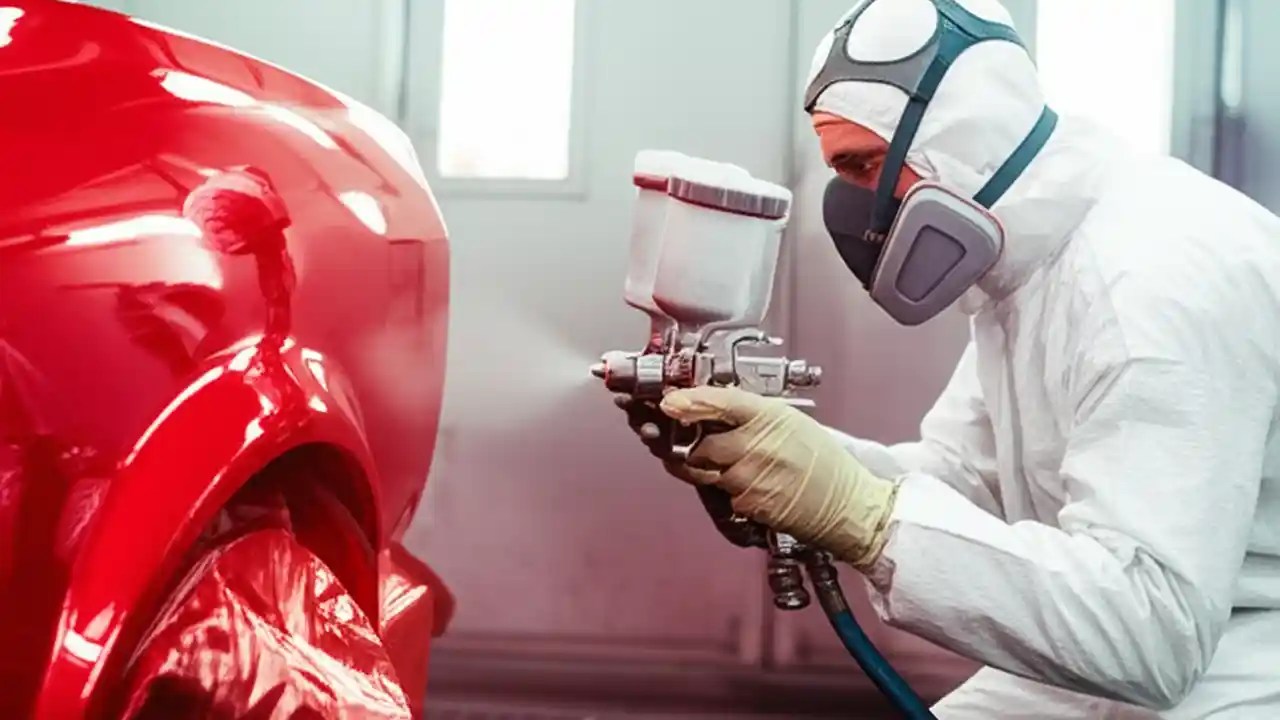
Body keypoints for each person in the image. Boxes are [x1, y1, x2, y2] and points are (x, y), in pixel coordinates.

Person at [618, 0, 1280, 717]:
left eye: (863, 166)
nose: (855, 208)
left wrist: (864, 515)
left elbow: (1154, 630)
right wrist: (791, 466)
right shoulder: (1029, 266)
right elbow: (966, 484)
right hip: (1103, 646)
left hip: (1234, 667)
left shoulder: (1147, 283)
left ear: (956, 140)